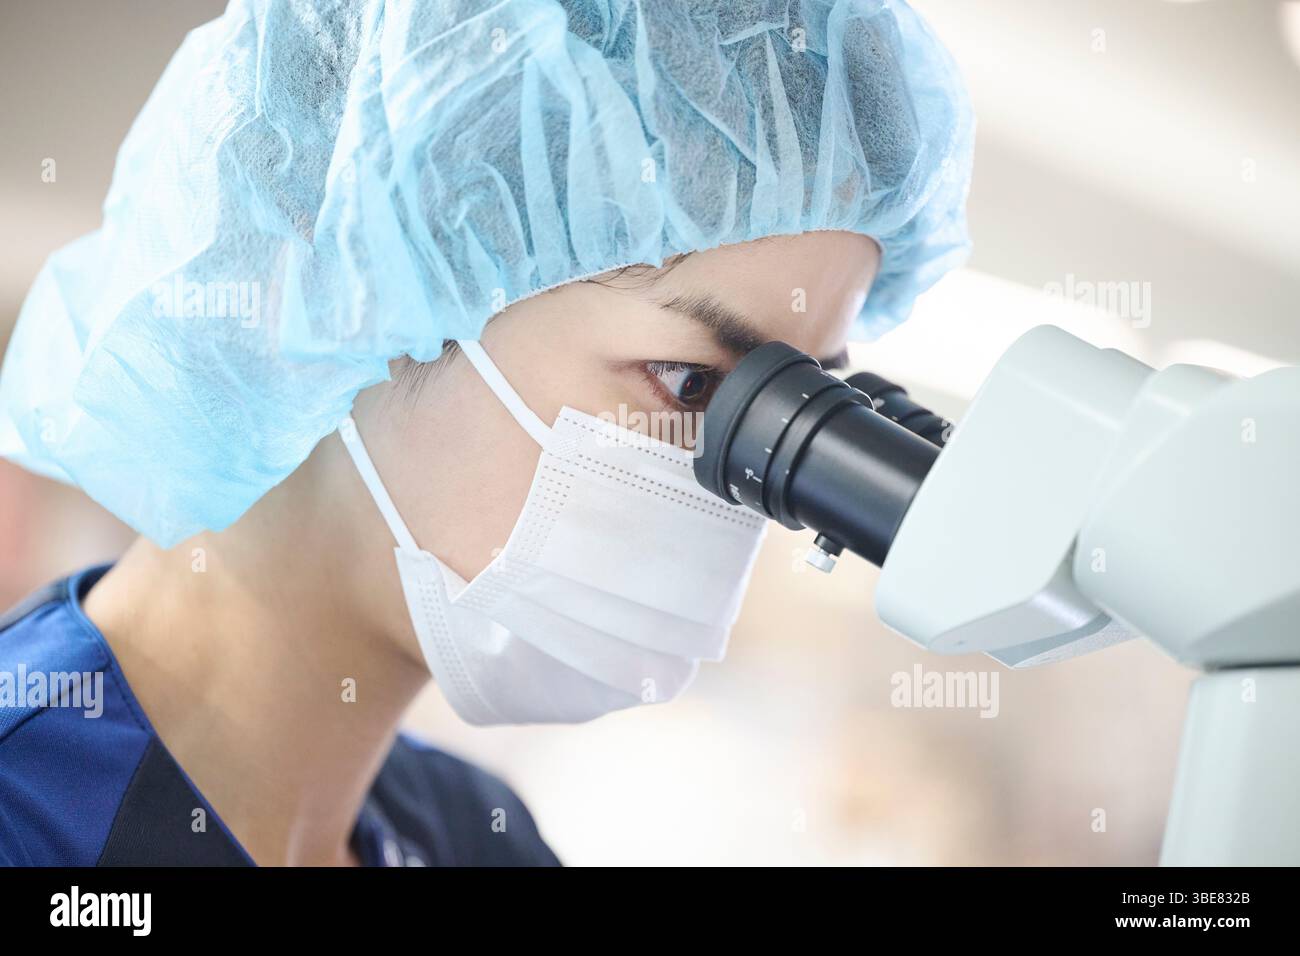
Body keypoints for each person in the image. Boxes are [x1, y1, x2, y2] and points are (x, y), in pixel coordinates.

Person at [0, 0, 972, 866]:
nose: (738, 480)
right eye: (690, 383)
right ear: (356, 282)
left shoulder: (476, 830)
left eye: (798, 395)